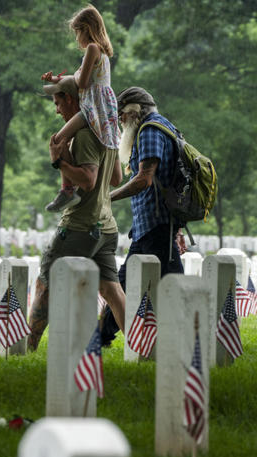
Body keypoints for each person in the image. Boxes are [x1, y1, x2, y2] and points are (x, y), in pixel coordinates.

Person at [27, 76, 125, 352]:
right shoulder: (107, 132)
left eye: (58, 103)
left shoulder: (83, 135)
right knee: (113, 293)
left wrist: (59, 162)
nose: (57, 110)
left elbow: (88, 180)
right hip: (106, 228)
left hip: (80, 226)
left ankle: (27, 346)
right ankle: (142, 349)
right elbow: (116, 177)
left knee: (45, 281)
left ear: (71, 100)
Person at [99, 86, 186, 345]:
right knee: (129, 284)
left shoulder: (149, 131)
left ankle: (100, 338)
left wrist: (107, 196)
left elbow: (144, 179)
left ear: (134, 112)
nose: (121, 122)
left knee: (133, 286)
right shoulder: (163, 126)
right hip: (154, 226)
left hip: (155, 226)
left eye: (122, 115)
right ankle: (100, 336)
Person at [40, 4, 120, 213]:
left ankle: (67, 190)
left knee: (58, 139)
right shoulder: (99, 53)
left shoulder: (93, 49)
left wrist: (69, 77)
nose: (77, 39)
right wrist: (57, 79)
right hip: (101, 109)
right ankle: (72, 185)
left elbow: (82, 83)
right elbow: (78, 78)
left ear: (87, 28)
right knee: (115, 173)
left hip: (92, 109)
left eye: (77, 33)